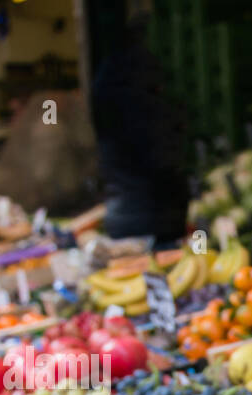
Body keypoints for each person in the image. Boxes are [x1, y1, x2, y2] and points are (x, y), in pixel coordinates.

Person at [90, 14, 188, 244]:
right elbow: (160, 155)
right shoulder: (139, 92)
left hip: (124, 212)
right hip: (149, 216)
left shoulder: (106, 81)